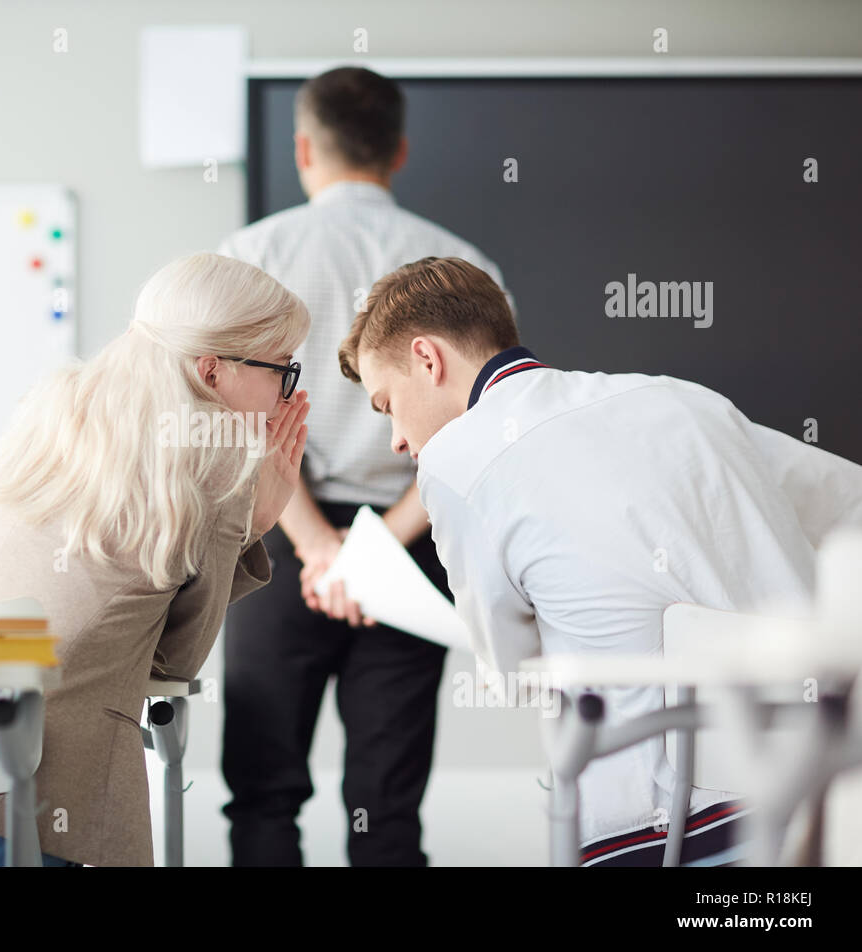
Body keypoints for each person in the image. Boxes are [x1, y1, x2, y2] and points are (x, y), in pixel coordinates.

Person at [339, 255, 862, 865]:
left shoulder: (455, 462)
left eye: (386, 405)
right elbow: (846, 500)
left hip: (661, 829)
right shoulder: (682, 399)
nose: (397, 439)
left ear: (428, 359)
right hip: (820, 787)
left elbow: (511, 672)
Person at [0, 253, 311, 866]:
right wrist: (256, 522)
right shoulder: (215, 463)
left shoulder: (59, 406)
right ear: (212, 371)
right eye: (282, 370)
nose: (284, 396)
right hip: (17, 800)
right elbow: (174, 662)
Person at [216, 66, 513, 866]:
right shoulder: (466, 271)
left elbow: (236, 423)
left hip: (280, 548)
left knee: (262, 796)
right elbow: (482, 432)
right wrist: (371, 550)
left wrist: (319, 547)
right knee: (387, 810)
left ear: (304, 148)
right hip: (416, 546)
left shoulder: (250, 257)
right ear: (399, 151)